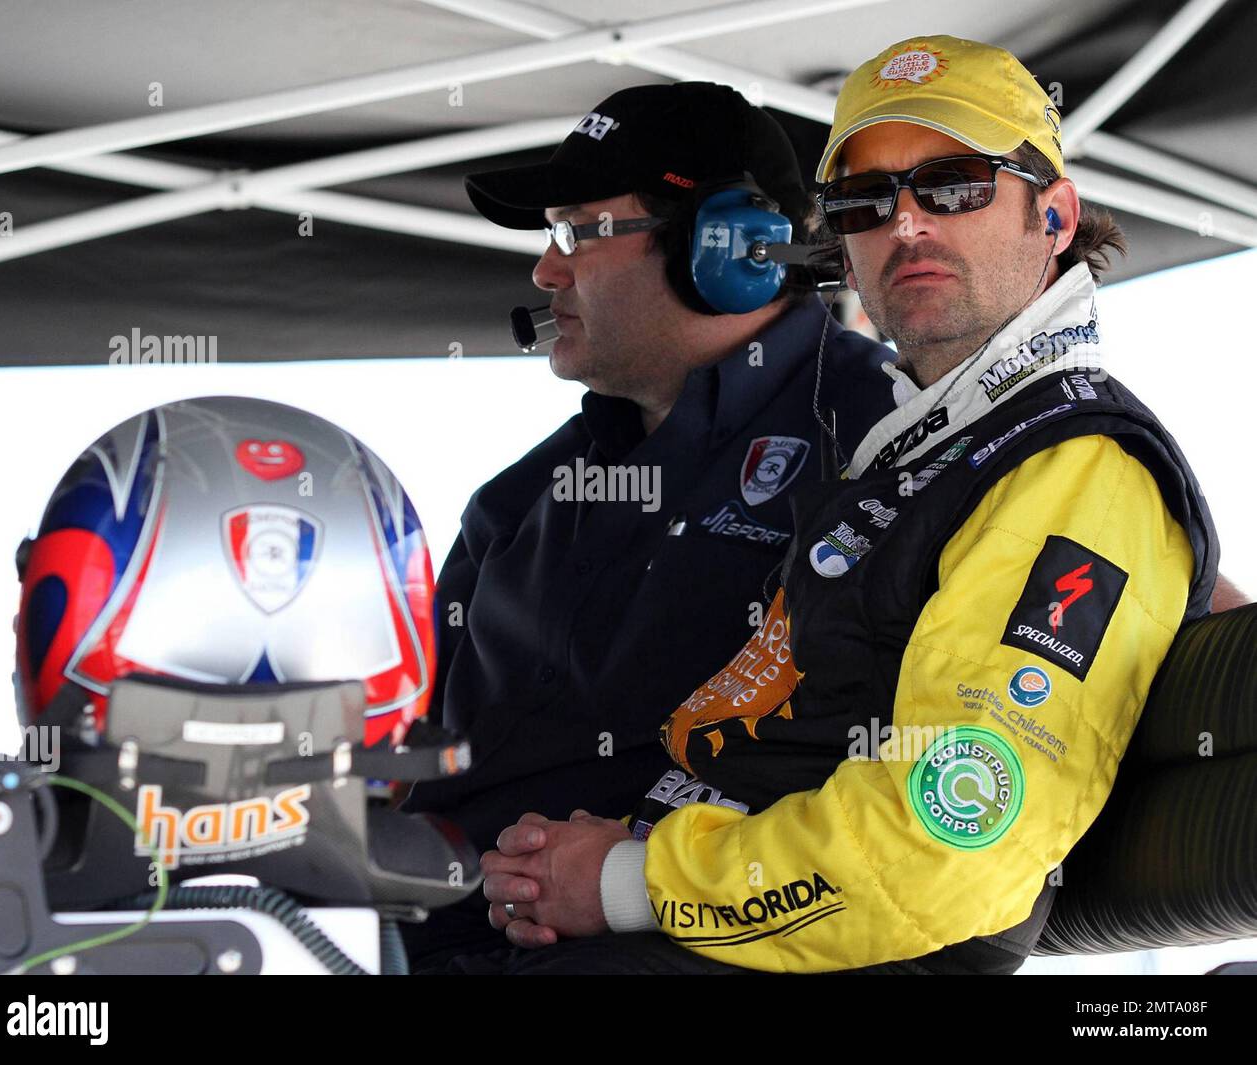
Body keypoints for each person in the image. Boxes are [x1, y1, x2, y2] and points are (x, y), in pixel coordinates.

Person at [474, 35, 1225, 975]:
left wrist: (631, 879)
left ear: (1056, 216)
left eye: (953, 184)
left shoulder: (1078, 468)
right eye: (866, 202)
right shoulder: (918, 452)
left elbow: (950, 843)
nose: (906, 224)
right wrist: (611, 854)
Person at [399, 82, 898, 968]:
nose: (546, 273)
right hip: (431, 927)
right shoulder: (517, 502)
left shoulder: (887, 435)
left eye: (575, 232)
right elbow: (410, 752)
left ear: (731, 248)